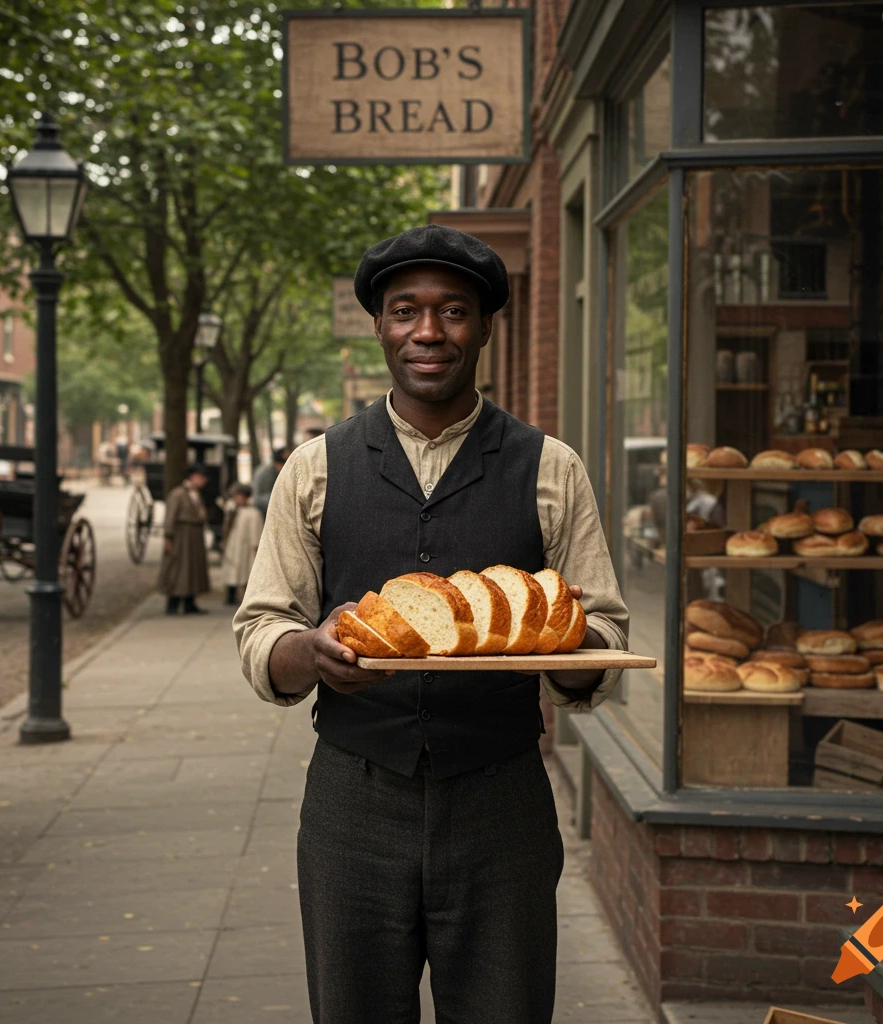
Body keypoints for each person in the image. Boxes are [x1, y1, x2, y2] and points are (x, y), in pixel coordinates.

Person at [234, 224, 630, 1024]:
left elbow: (607, 642)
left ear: (485, 327)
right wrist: (308, 651)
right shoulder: (315, 467)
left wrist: (571, 643)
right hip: (354, 797)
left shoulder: (550, 466)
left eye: (453, 312)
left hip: (502, 799)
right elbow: (261, 628)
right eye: (406, 309)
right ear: (379, 325)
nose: (428, 331)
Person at [159, 463, 210, 615]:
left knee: (193, 569)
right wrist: (169, 536)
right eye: (201, 478)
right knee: (178, 569)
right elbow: (170, 516)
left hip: (193, 535)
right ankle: (173, 603)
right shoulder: (178, 494)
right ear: (193, 477)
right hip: (181, 536)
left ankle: (189, 602)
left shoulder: (195, 494)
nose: (203, 481)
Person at [221, 483, 263, 605]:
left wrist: (255, 546)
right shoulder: (233, 511)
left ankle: (246, 596)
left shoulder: (253, 513)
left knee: (245, 571)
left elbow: (256, 531)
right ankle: (230, 594)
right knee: (231, 571)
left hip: (245, 548)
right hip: (232, 546)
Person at [252, 446, 288, 517]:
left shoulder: (283, 473)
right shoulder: (264, 474)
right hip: (265, 514)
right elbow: (257, 499)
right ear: (276, 463)